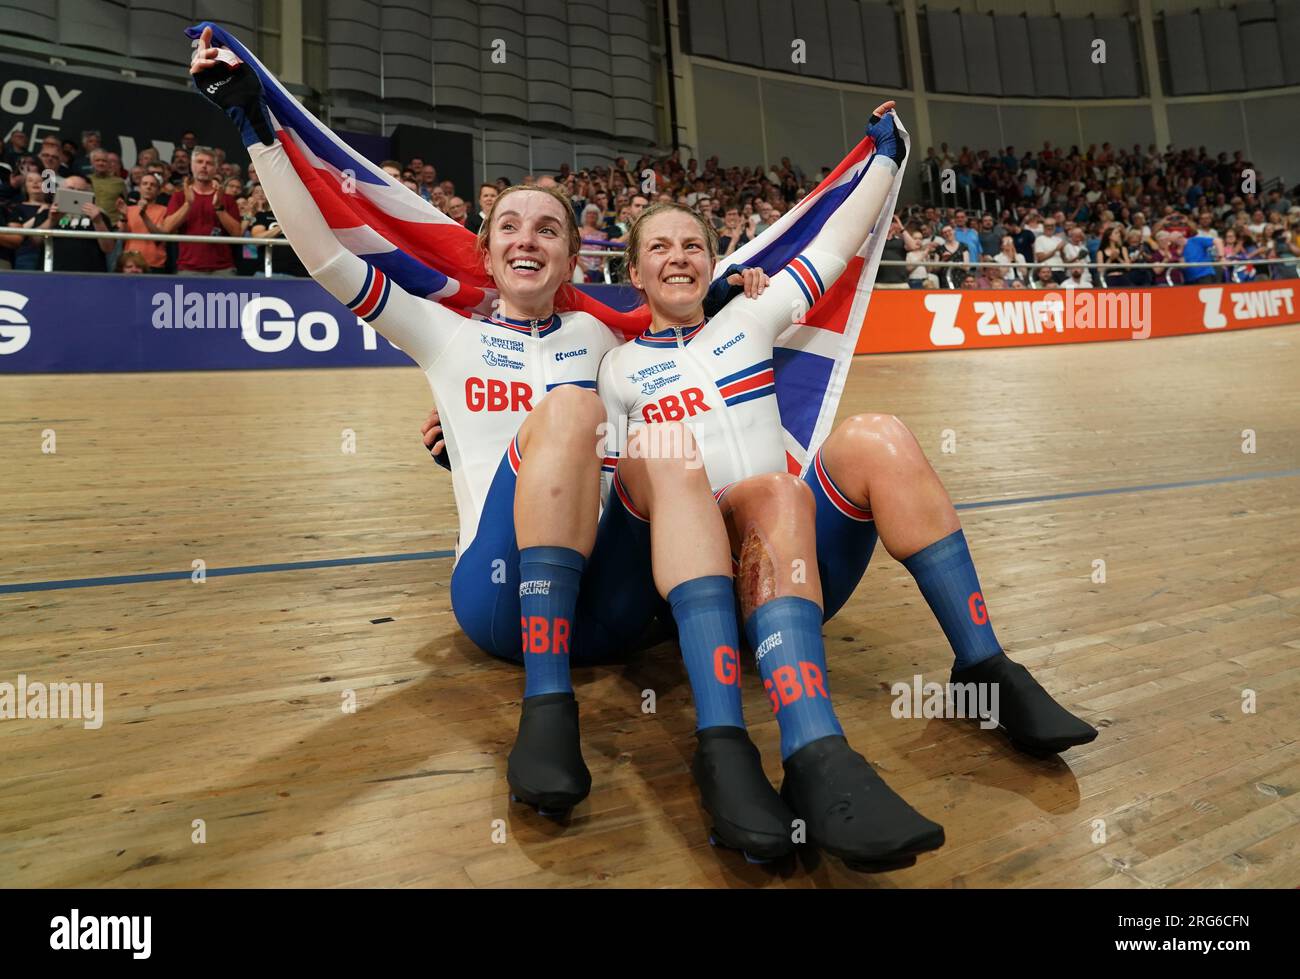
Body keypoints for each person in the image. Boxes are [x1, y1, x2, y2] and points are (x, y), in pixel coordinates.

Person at [598, 107, 1095, 868]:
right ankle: (813, 750)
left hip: (786, 564)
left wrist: (887, 162)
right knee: (772, 490)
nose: (678, 257)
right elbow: (600, 485)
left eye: (693, 245)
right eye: (658, 247)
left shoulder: (750, 318)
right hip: (689, 586)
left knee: (877, 436)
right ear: (632, 272)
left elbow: (834, 244)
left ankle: (984, 665)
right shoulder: (617, 366)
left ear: (713, 260)